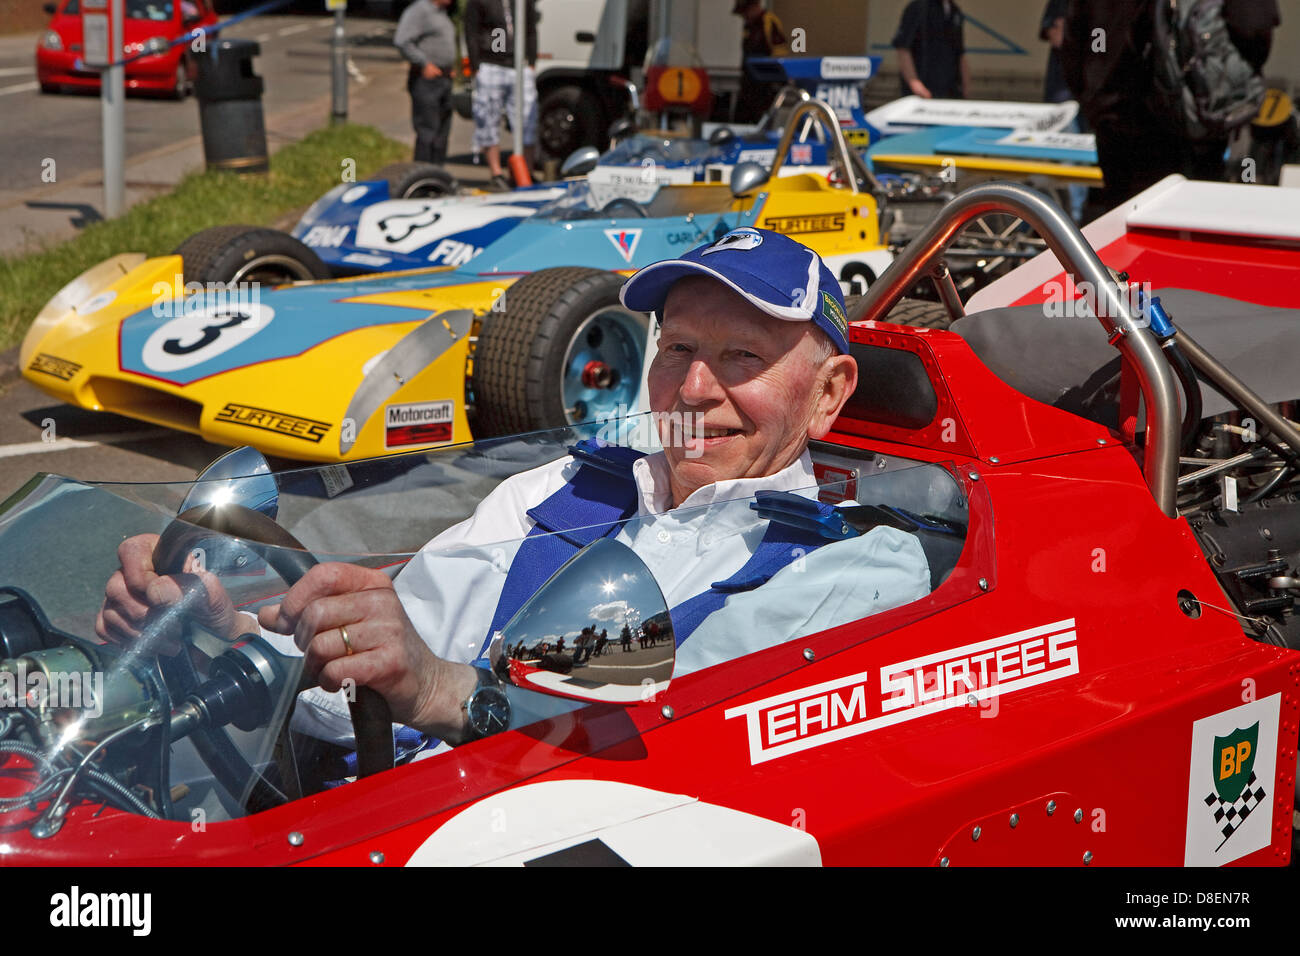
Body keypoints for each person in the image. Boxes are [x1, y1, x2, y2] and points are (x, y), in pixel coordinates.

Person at [97, 229, 931, 749]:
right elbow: (387, 656)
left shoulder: (856, 570)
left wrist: (442, 692)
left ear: (828, 394)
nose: (695, 389)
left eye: (743, 358)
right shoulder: (562, 487)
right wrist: (229, 632)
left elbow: (681, 750)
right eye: (677, 349)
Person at [1061, 0, 1279, 222]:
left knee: (1122, 223)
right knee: (1193, 226)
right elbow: (1255, 28)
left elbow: (1071, 42)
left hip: (1114, 115)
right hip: (1188, 122)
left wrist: (1093, 98)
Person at [464, 0, 538, 189]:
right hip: (492, 62)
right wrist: (475, 65)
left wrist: (531, 60)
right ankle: (496, 173)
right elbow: (471, 30)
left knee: (527, 117)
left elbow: (530, 27)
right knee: (488, 117)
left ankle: (526, 171)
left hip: (518, 65)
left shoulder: (522, 2)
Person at [393, 0, 458, 166]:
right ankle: (423, 177)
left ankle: (437, 177)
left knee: (441, 134)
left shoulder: (441, 12)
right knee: (427, 132)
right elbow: (402, 40)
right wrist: (424, 63)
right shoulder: (419, 10)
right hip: (426, 81)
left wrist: (448, 67)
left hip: (444, 78)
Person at [892, 0, 969, 100]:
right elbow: (903, 48)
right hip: (924, 90)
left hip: (950, 91)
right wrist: (914, 83)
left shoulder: (954, 10)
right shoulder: (918, 7)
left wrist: (966, 84)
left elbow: (960, 53)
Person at [732, 0, 790, 125]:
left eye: (745, 12)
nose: (744, 17)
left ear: (755, 6)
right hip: (748, 84)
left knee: (762, 123)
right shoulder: (748, 25)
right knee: (740, 120)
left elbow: (780, 54)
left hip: (765, 87)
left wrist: (771, 77)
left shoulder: (769, 21)